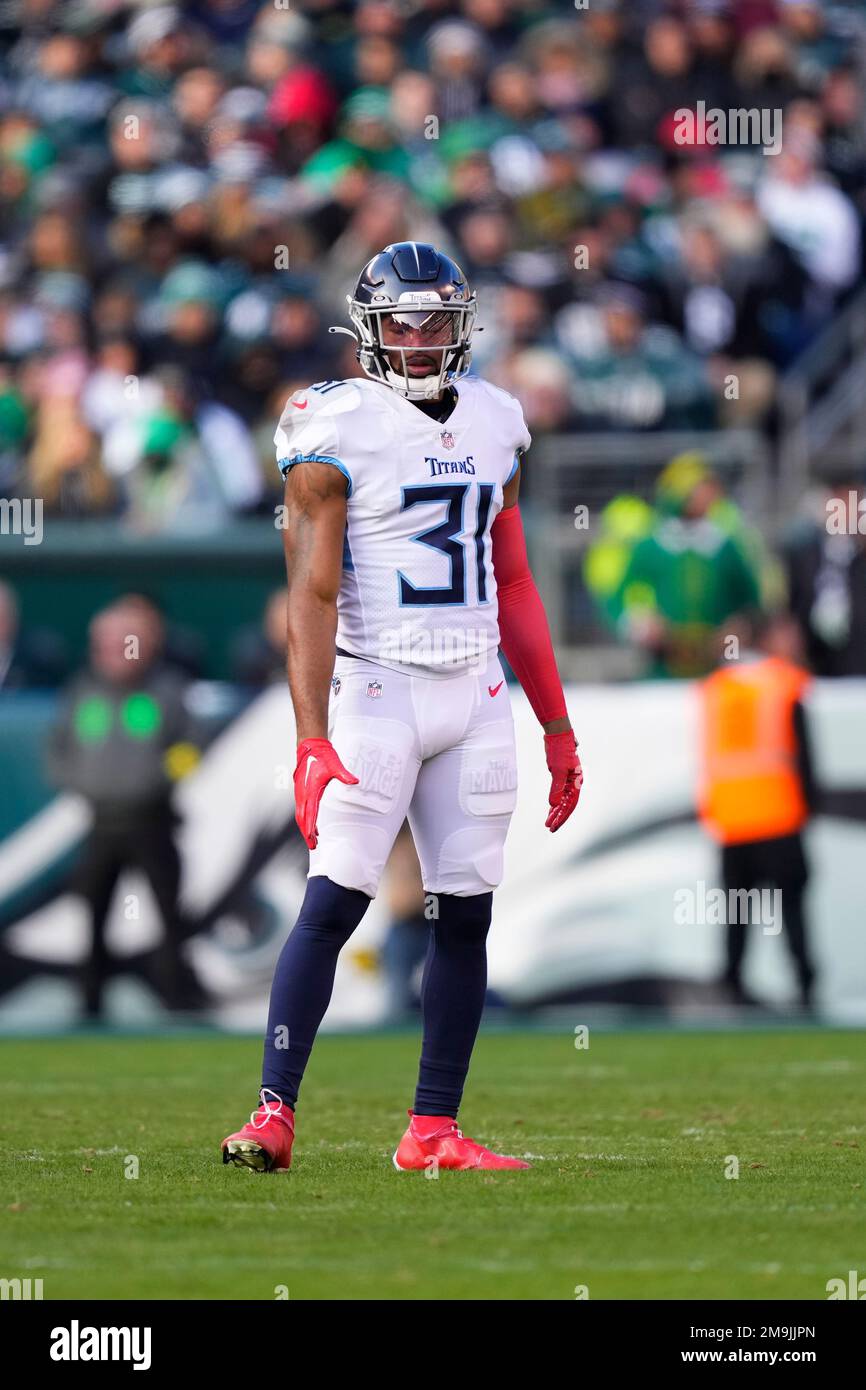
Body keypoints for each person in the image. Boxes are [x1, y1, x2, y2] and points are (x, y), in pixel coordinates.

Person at [222, 241, 583, 1173]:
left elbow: (515, 583)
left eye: (436, 322)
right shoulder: (334, 425)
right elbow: (310, 592)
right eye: (403, 323)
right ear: (370, 330)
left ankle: (433, 1129)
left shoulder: (500, 421)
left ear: (462, 325)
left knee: (465, 914)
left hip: (477, 688)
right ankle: (272, 1112)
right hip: (376, 684)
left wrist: (556, 721)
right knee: (335, 898)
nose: (420, 341)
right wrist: (309, 737)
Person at [47, 598, 204, 1018]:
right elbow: (59, 750)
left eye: (124, 642)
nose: (115, 652)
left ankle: (177, 998)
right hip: (101, 822)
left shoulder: (166, 691)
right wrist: (83, 783)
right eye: (107, 643)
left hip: (152, 822)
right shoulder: (83, 692)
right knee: (93, 912)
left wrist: (158, 780)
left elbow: (190, 747)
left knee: (169, 914)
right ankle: (90, 1002)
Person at [698, 613, 818, 1011]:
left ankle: (733, 984)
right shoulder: (783, 683)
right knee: (793, 907)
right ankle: (805, 984)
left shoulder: (717, 688)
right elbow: (805, 755)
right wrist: (811, 805)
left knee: (736, 909)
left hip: (732, 817)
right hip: (779, 812)